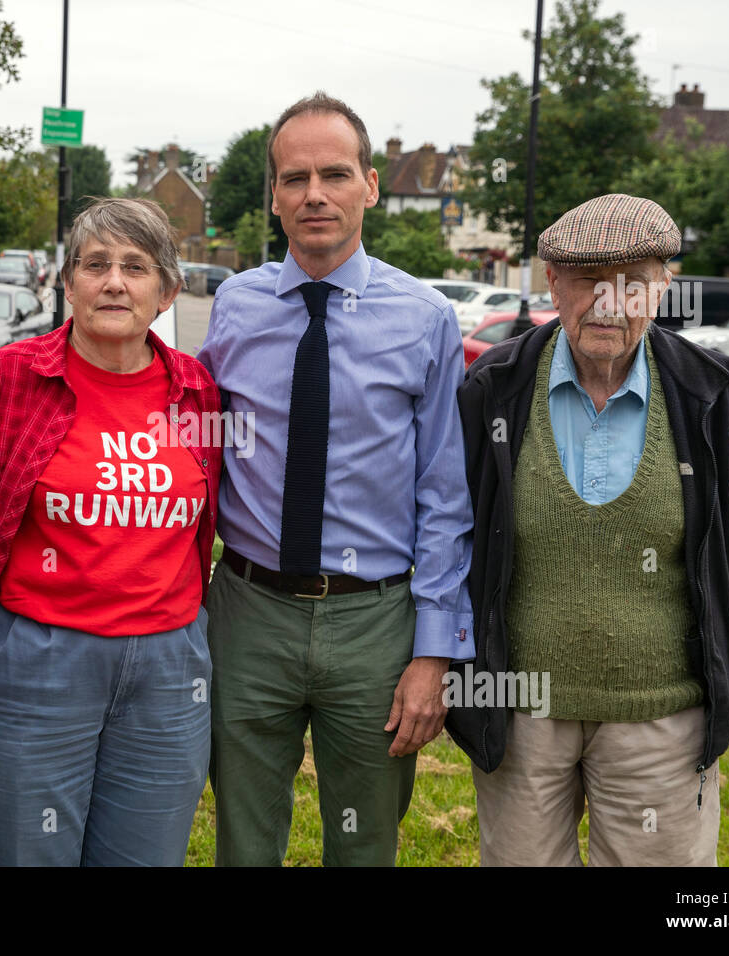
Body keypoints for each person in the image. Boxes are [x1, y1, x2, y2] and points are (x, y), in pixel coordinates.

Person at [196, 92, 475, 866]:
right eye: (295, 179)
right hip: (248, 613)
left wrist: (434, 651)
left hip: (374, 627)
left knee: (364, 844)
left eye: (334, 174)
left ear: (371, 186)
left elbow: (445, 495)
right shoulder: (235, 307)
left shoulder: (424, 317)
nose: (314, 194)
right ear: (275, 196)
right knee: (244, 844)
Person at [449, 193, 729, 866]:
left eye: (633, 284)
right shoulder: (493, 389)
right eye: (588, 281)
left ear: (664, 289)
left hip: (663, 716)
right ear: (552, 283)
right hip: (521, 708)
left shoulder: (708, 393)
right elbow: (456, 540)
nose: (609, 303)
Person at [0, 198, 222, 866]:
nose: (114, 281)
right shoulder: (0, 383)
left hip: (169, 675)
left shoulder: (196, 392)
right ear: (68, 283)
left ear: (167, 290)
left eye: (136, 267)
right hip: (34, 663)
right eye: (96, 265)